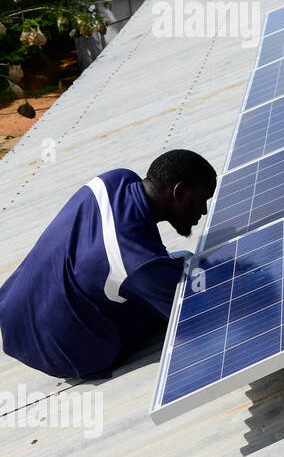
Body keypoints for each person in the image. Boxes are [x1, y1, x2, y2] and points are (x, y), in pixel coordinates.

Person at [0, 149, 217, 381]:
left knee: (166, 269)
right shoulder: (139, 266)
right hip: (58, 350)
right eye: (202, 200)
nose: (204, 211)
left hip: (13, 310)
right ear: (180, 192)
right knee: (186, 289)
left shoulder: (115, 179)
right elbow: (200, 312)